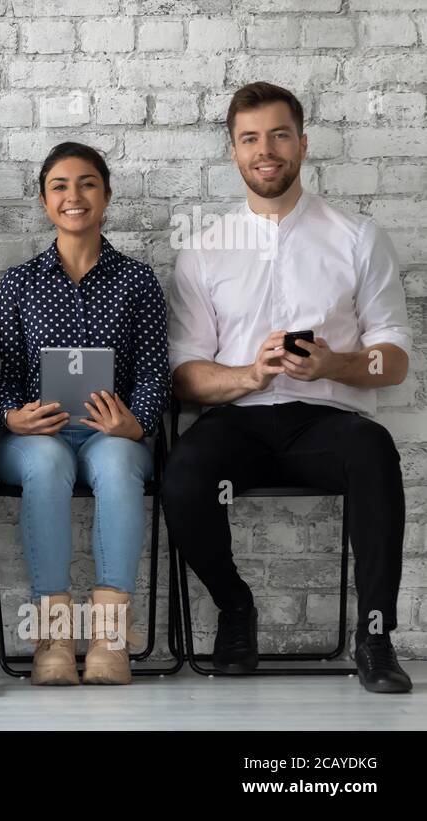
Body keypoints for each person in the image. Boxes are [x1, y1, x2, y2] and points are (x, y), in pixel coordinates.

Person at [163, 82, 413, 694]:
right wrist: (250, 374)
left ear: (302, 143)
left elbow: (396, 360)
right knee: (183, 475)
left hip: (324, 422)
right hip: (237, 423)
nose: (265, 150)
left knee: (376, 454)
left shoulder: (356, 235)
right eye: (250, 139)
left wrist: (333, 364)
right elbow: (186, 374)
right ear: (233, 152)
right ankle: (236, 609)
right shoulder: (203, 250)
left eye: (279, 135)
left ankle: (375, 637)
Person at [0, 142, 170, 686]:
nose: (75, 196)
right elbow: (2, 373)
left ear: (107, 196)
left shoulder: (138, 281)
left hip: (110, 434)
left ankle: (110, 640)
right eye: (60, 186)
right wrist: (11, 416)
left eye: (88, 183)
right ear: (45, 201)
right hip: (34, 436)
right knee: (45, 464)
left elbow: (155, 369)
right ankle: (53, 639)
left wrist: (134, 422)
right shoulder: (18, 284)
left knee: (118, 465)